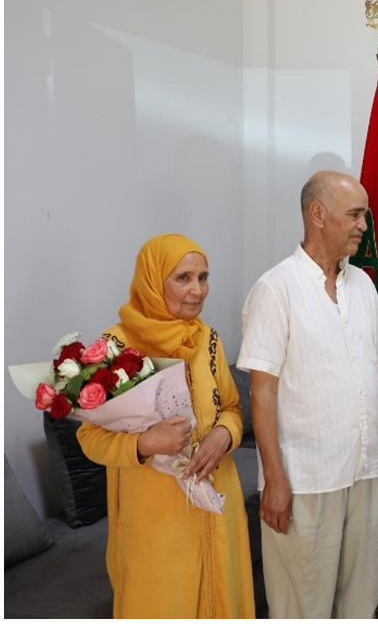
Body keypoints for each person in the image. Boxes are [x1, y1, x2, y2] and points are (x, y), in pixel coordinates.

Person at [237, 170, 378, 618]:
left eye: (364, 215)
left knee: (361, 599)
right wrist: (274, 478)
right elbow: (262, 391)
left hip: (363, 471)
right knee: (302, 605)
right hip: (305, 478)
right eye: (355, 214)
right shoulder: (276, 288)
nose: (363, 226)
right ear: (317, 214)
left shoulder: (363, 285)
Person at [77, 233, 255, 618]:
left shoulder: (208, 339)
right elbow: (89, 436)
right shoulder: (116, 346)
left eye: (203, 277)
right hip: (155, 520)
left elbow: (234, 408)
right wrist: (143, 443)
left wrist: (224, 435)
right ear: (153, 280)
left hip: (217, 501)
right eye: (183, 278)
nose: (197, 290)